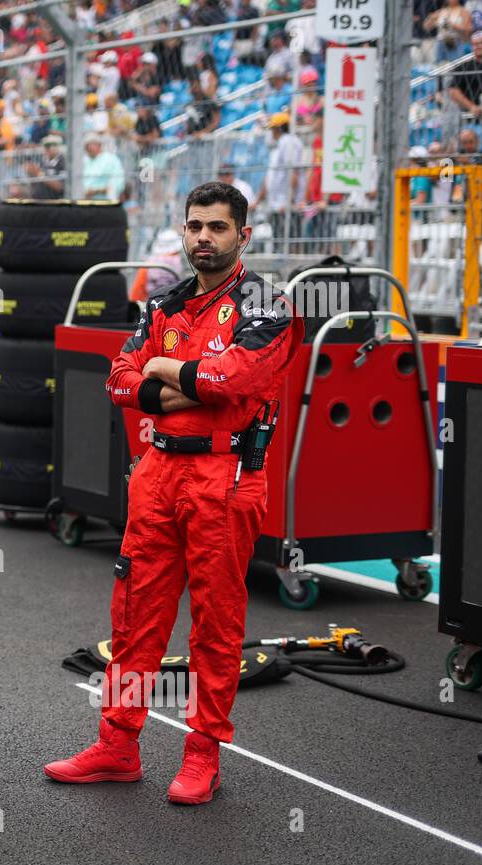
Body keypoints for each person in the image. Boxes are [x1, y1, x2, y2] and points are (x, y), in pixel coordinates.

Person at [45, 181, 302, 805]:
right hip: (157, 474)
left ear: (243, 233)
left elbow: (241, 377)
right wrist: (186, 382)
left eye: (217, 227)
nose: (203, 238)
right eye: (194, 227)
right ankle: (117, 746)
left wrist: (164, 369)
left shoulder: (267, 304)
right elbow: (121, 383)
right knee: (134, 620)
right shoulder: (160, 306)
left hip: (226, 478)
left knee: (215, 626)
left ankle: (202, 755)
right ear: (183, 232)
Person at [252, 112, 305, 251]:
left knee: (290, 243)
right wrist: (258, 199)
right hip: (277, 204)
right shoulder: (279, 145)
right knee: (280, 243)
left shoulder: (289, 141)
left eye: (274, 129)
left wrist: (289, 200)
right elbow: (270, 176)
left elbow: (294, 171)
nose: (272, 132)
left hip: (285, 205)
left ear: (280, 128)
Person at [81, 133, 126, 200]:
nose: (89, 148)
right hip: (84, 198)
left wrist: (97, 191)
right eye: (87, 146)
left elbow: (118, 181)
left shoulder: (110, 159)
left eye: (91, 144)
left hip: (104, 199)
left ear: (99, 145)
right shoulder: (84, 160)